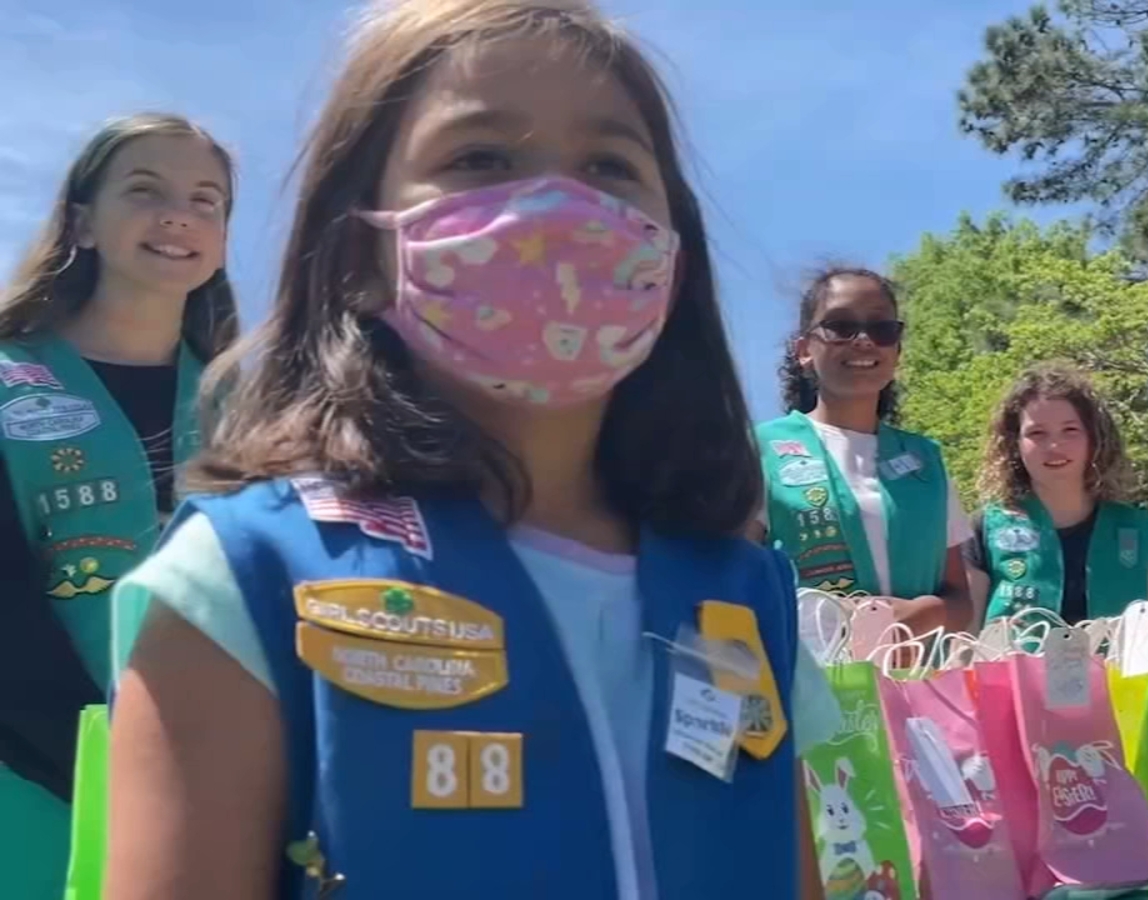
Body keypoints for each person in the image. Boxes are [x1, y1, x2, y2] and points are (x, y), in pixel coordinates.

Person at [103, 2, 836, 897]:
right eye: (479, 158)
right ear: (357, 257)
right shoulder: (239, 579)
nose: (559, 209)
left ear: (671, 258)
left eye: (610, 165)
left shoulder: (747, 590)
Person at [0, 112, 236, 899]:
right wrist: (113, 773)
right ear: (82, 222)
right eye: (146, 190)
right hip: (25, 791)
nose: (181, 215)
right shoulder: (6, 381)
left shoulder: (262, 412)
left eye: (208, 200)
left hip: (220, 795)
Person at [753, 266, 972, 633]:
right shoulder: (761, 449)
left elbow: (961, 600)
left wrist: (927, 613)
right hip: (808, 682)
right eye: (840, 326)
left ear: (897, 350)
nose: (863, 340)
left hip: (920, 683)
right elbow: (730, 583)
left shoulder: (927, 462)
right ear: (804, 350)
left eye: (882, 329)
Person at [964, 362, 1148, 626]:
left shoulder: (1138, 531)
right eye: (1037, 433)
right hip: (1013, 668)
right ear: (1015, 444)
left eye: (1070, 430)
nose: (1054, 446)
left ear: (1094, 438)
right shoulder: (985, 528)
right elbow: (965, 643)